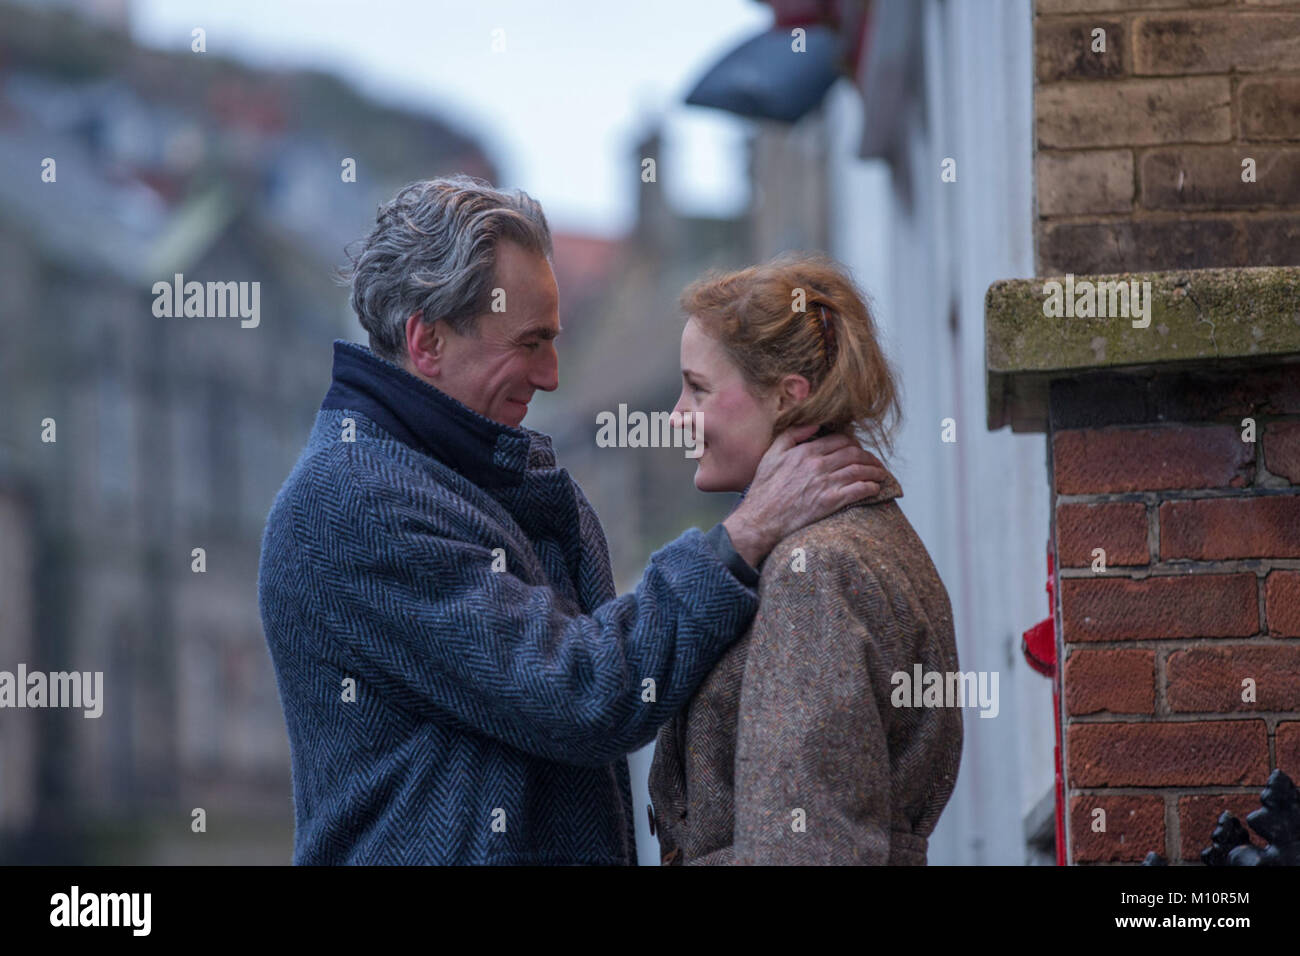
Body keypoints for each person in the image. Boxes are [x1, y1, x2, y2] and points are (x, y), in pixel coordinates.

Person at [256, 176, 887, 865]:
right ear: (427, 340)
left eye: (553, 340)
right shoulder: (354, 501)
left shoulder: (475, 473)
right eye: (529, 343)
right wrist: (742, 540)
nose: (553, 374)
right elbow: (579, 691)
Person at [648, 252, 963, 865]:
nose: (676, 416)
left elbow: (806, 847)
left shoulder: (816, 569)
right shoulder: (847, 540)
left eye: (698, 388)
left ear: (788, 397)